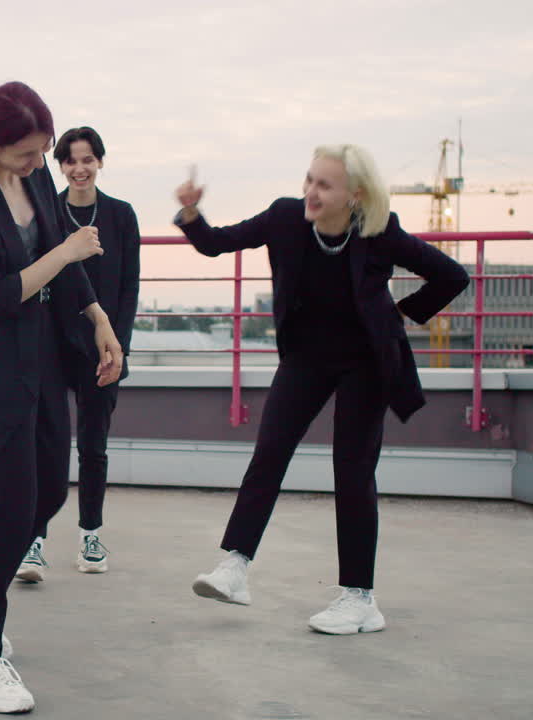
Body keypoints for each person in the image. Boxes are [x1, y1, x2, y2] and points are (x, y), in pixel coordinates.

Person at [175, 145, 469, 634]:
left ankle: (360, 598)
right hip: (306, 358)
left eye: (324, 185)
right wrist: (191, 213)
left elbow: (452, 276)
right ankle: (235, 566)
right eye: (309, 180)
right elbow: (217, 243)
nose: (310, 192)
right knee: (269, 454)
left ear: (356, 195)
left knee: (352, 471)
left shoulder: (380, 231)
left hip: (365, 362)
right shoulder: (285, 218)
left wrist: (401, 313)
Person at [0, 81, 123, 713]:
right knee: (11, 506)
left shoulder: (34, 176)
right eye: (27, 153)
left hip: (37, 359)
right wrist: (65, 251)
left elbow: (59, 252)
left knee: (48, 493)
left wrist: (98, 317)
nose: (39, 163)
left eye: (44, 151)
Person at [15, 125, 139, 579]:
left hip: (101, 347)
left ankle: (91, 534)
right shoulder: (47, 210)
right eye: (70, 160)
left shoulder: (121, 215)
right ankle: (34, 540)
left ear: (100, 162)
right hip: (52, 344)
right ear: (60, 166)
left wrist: (117, 346)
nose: (79, 168)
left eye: (88, 159)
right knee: (43, 446)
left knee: (93, 445)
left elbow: (128, 287)